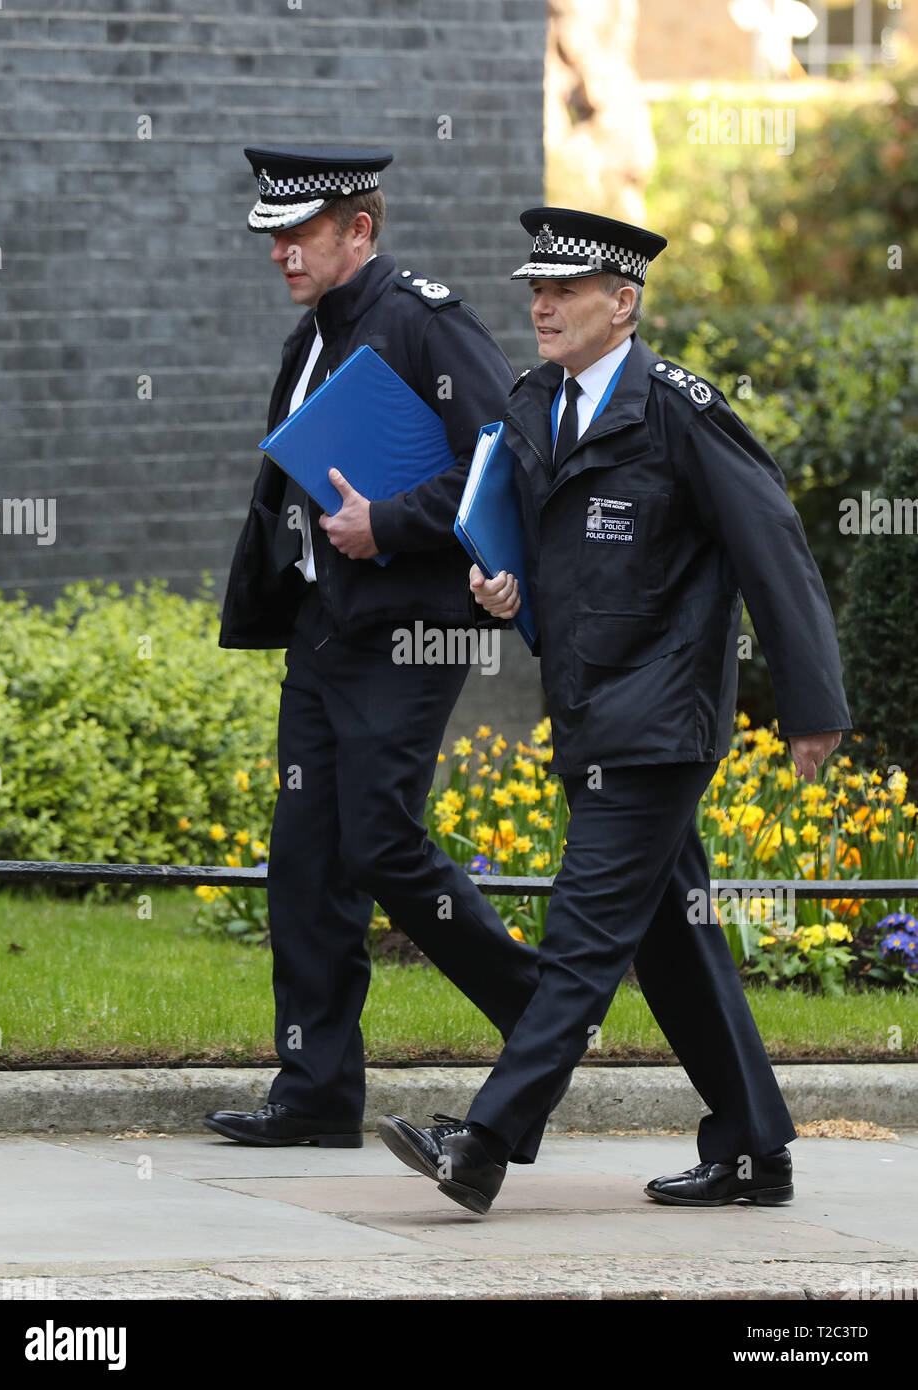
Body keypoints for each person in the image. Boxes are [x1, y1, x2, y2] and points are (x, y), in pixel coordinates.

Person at [377, 207, 851, 1214]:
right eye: (535, 291)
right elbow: (547, 554)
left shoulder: (677, 408)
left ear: (621, 304)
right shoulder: (533, 399)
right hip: (589, 706)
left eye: (563, 292)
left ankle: (486, 1141)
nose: (540, 306)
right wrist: (507, 592)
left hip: (660, 717)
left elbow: (774, 548)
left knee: (585, 932)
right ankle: (753, 1148)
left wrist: (814, 703)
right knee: (675, 938)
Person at [203, 147, 551, 1156]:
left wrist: (388, 524)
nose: (282, 252)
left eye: (301, 233)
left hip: (407, 633)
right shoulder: (313, 334)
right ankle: (314, 1092)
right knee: (307, 860)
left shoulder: (420, 318)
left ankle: (536, 1004)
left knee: (379, 840)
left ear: (360, 229)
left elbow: (506, 458)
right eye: (273, 235)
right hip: (325, 632)